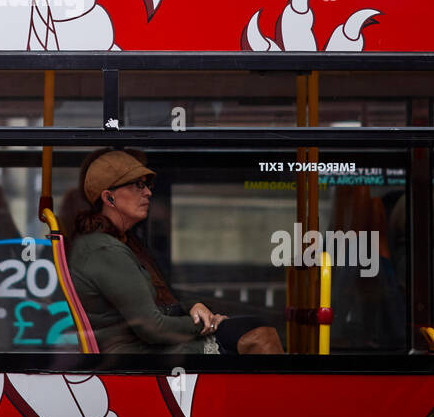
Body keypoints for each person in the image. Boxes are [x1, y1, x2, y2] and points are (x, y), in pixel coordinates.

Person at [67, 148, 283, 355]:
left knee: (255, 328)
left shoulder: (109, 243)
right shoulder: (105, 250)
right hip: (138, 356)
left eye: (147, 185)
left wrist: (192, 307)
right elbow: (152, 327)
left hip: (140, 349)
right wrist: (206, 323)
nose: (148, 192)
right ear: (109, 197)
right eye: (138, 185)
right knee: (259, 336)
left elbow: (153, 310)